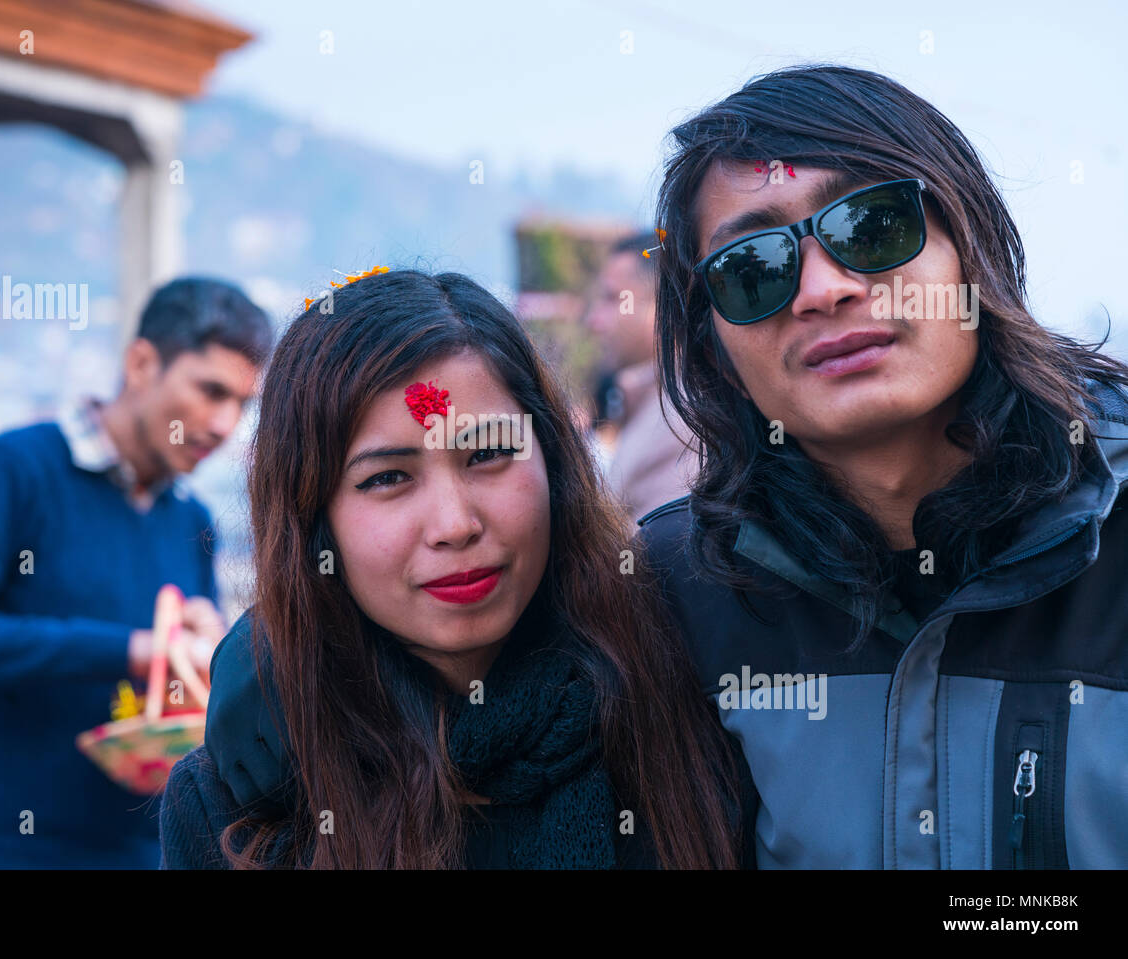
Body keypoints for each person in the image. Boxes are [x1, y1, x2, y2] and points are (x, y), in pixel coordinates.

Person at [642, 64, 1128, 868]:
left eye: (872, 226)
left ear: (973, 249)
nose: (824, 290)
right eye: (753, 268)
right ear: (711, 342)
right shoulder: (677, 594)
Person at [159, 269, 744, 869]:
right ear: (312, 519)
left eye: (488, 453)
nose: (455, 523)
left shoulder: (680, 690)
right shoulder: (246, 796)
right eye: (387, 478)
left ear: (554, 461)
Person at [0, 277, 273, 868]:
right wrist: (135, 649)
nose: (224, 424)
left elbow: (176, 692)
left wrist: (210, 646)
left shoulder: (191, 517)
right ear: (142, 363)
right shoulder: (12, 470)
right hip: (14, 848)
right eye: (210, 391)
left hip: (155, 847)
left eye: (241, 404)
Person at [585, 232, 698, 521]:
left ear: (665, 305)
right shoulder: (655, 403)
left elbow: (656, 556)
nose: (594, 320)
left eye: (612, 298)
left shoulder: (684, 421)